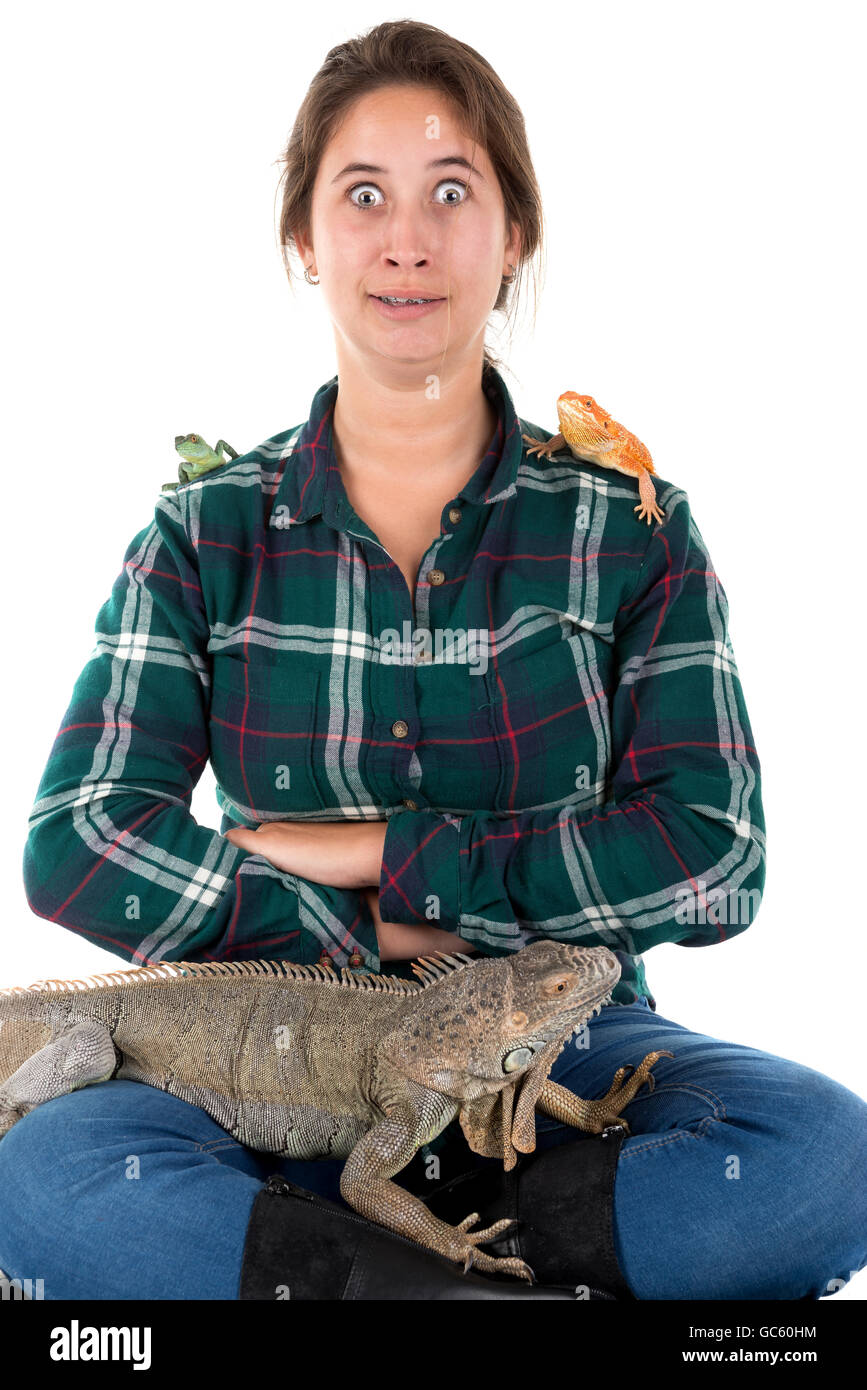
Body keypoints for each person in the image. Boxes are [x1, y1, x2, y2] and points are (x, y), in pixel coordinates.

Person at [3, 19, 865, 1301]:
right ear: (308, 238)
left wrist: (390, 858)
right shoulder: (200, 533)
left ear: (511, 233)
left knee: (822, 1158)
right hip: (264, 1064)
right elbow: (78, 840)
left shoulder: (629, 529)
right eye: (364, 196)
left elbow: (718, 858)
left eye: (451, 191)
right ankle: (439, 1286)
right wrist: (345, 936)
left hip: (551, 1065)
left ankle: (349, 1277)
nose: (407, 239)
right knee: (53, 1179)